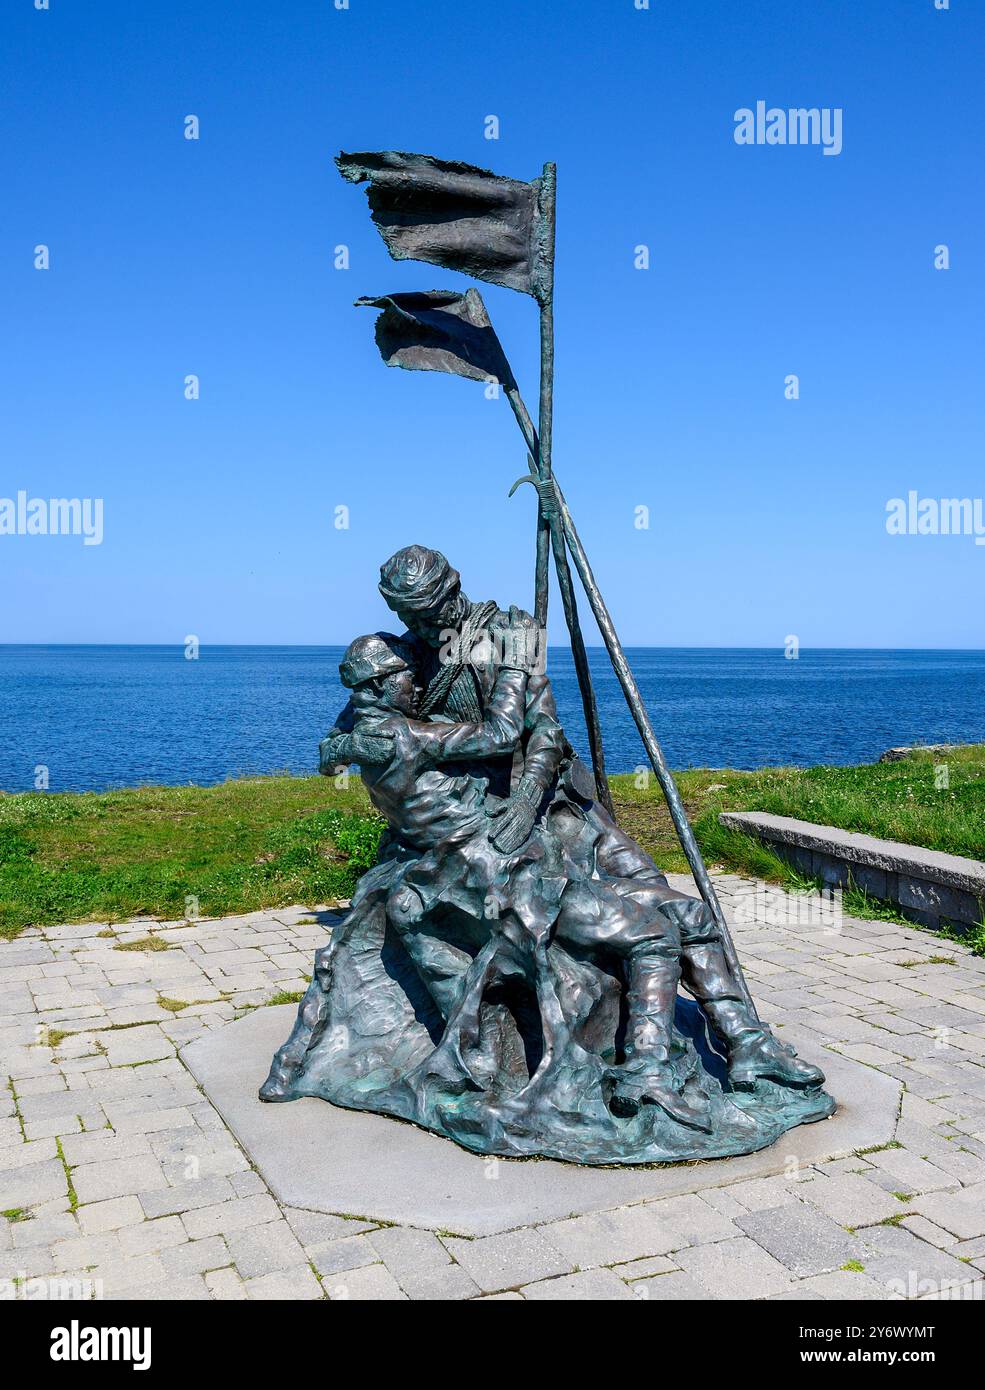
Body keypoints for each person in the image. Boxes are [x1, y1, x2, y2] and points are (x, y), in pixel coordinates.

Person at [321, 545, 824, 1094]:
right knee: (648, 925)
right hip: (483, 827)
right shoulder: (411, 655)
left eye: (432, 608)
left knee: (671, 902)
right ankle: (655, 1059)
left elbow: (539, 730)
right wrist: (340, 744)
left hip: (553, 804)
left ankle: (746, 1042)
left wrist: (526, 798)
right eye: (410, 616)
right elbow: (365, 719)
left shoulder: (512, 632)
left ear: (455, 585)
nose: (424, 623)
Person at [334, 627, 713, 1128]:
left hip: (505, 869)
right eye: (405, 678)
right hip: (513, 880)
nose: (417, 688)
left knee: (682, 912)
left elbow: (335, 747)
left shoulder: (361, 739)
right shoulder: (407, 736)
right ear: (380, 687)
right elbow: (498, 734)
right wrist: (516, 665)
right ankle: (646, 1071)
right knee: (657, 934)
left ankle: (737, 1047)